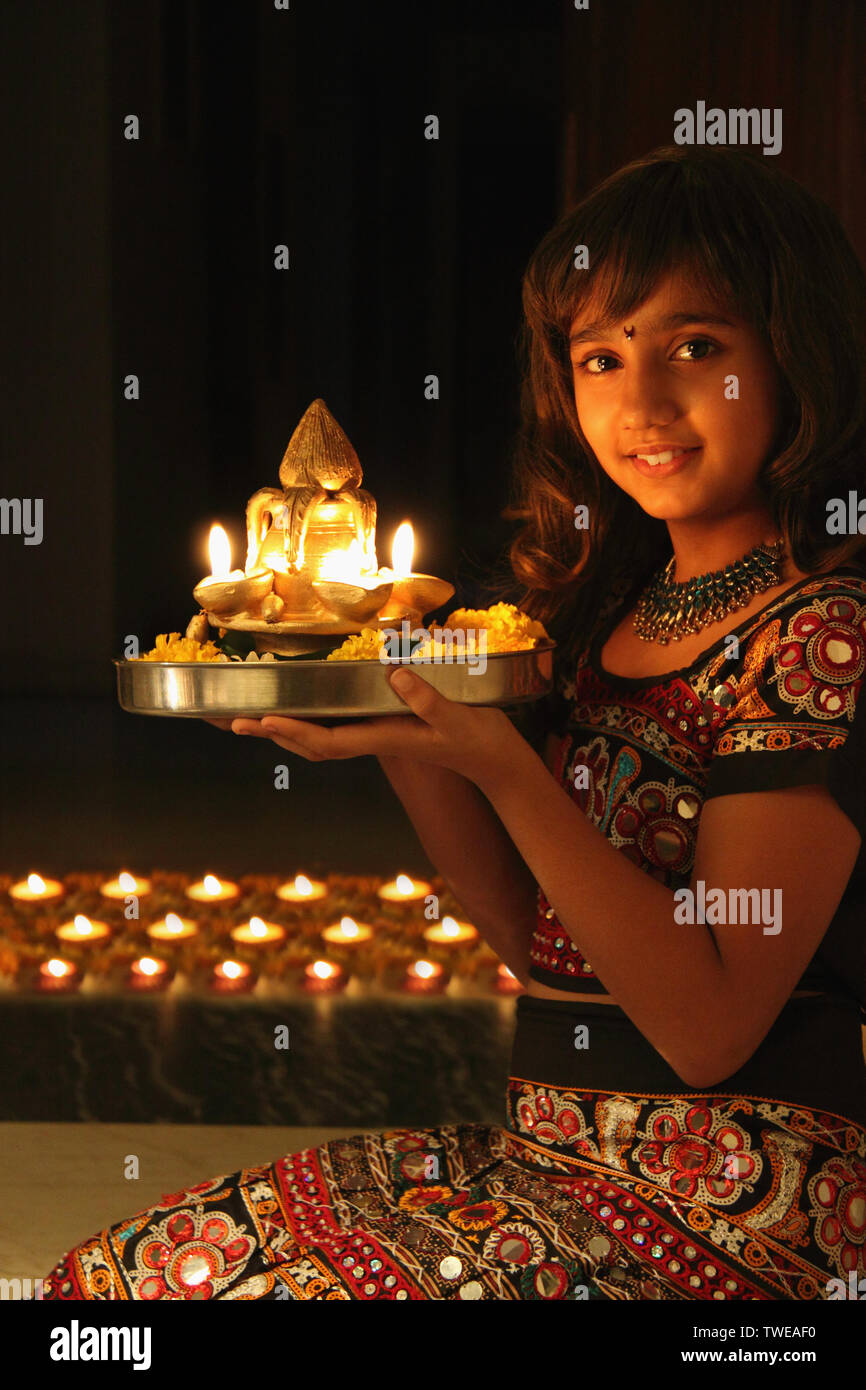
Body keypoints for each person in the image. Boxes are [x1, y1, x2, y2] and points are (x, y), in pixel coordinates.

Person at [43, 145, 866, 1301]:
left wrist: (509, 771)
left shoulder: (819, 632)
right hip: (559, 1165)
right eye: (598, 357)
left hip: (738, 1224)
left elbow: (705, 1027)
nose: (641, 403)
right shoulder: (606, 613)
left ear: (796, 353)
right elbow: (542, 947)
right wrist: (393, 714)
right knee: (118, 1282)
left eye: (695, 347)